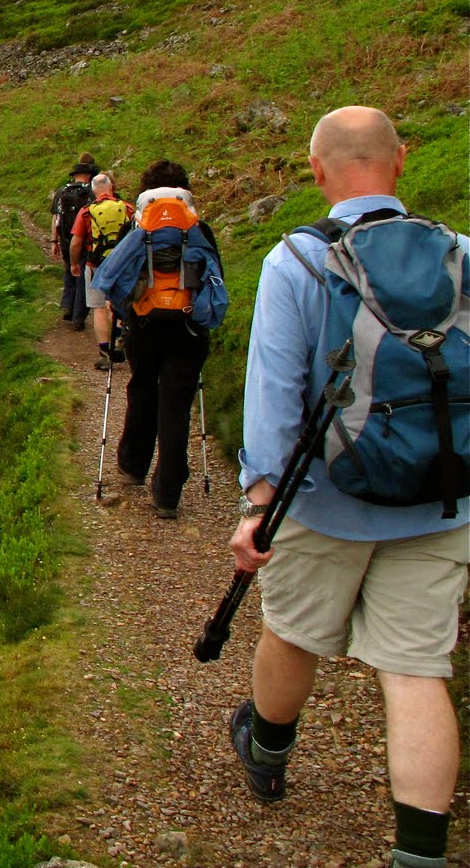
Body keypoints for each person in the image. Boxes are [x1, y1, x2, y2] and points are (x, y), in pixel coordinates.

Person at [226, 106, 468, 868]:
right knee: (418, 668)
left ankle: (267, 754)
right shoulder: (462, 254)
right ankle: (421, 853)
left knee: (293, 630)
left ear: (316, 170)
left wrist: (259, 506)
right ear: (400, 162)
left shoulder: (296, 262)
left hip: (326, 500)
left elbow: (273, 392)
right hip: (441, 500)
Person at [109, 159, 217, 517]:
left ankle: (133, 463)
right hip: (188, 327)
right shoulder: (198, 228)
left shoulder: (138, 227)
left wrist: (124, 315)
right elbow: (214, 279)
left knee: (142, 388)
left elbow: (119, 275)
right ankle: (168, 492)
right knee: (176, 403)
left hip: (144, 324)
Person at [69, 173, 134, 369]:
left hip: (96, 265)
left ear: (93, 190)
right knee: (119, 304)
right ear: (111, 187)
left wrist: (74, 263)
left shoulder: (87, 211)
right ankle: (121, 344)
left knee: (98, 307)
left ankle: (105, 353)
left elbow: (76, 242)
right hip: (123, 265)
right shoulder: (128, 208)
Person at [51, 154, 98, 330]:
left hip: (65, 239)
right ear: (89, 175)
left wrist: (54, 241)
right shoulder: (91, 193)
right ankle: (79, 318)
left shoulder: (62, 191)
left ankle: (68, 308)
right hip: (85, 240)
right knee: (83, 277)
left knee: (69, 270)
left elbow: (55, 217)